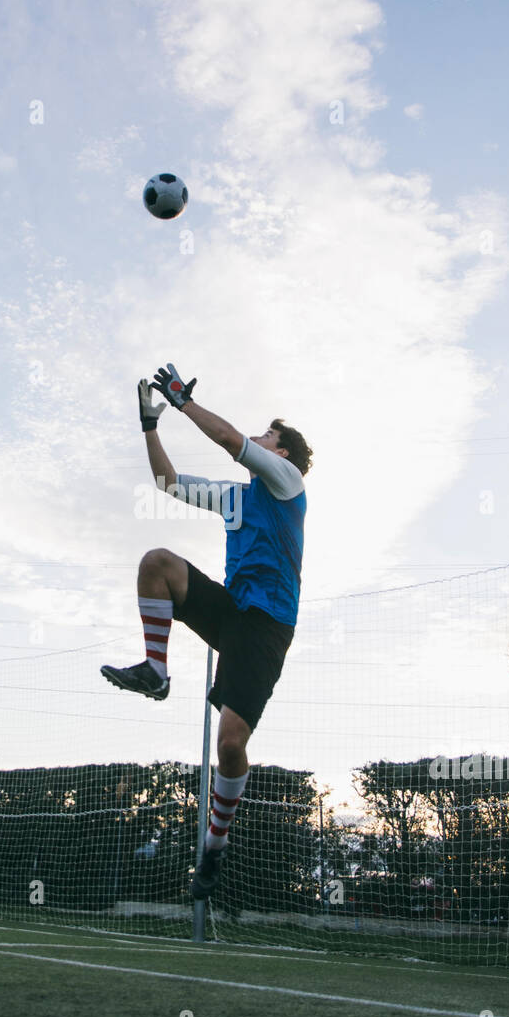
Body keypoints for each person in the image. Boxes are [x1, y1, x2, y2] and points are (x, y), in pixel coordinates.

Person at [101, 363, 312, 900]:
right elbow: (166, 483)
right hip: (232, 609)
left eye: (269, 436)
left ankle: (214, 846)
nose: (260, 439)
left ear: (281, 453)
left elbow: (226, 438)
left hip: (267, 629)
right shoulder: (233, 498)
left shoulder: (288, 484)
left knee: (230, 743)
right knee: (157, 563)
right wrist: (152, 424)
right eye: (263, 435)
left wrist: (183, 402)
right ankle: (154, 670)